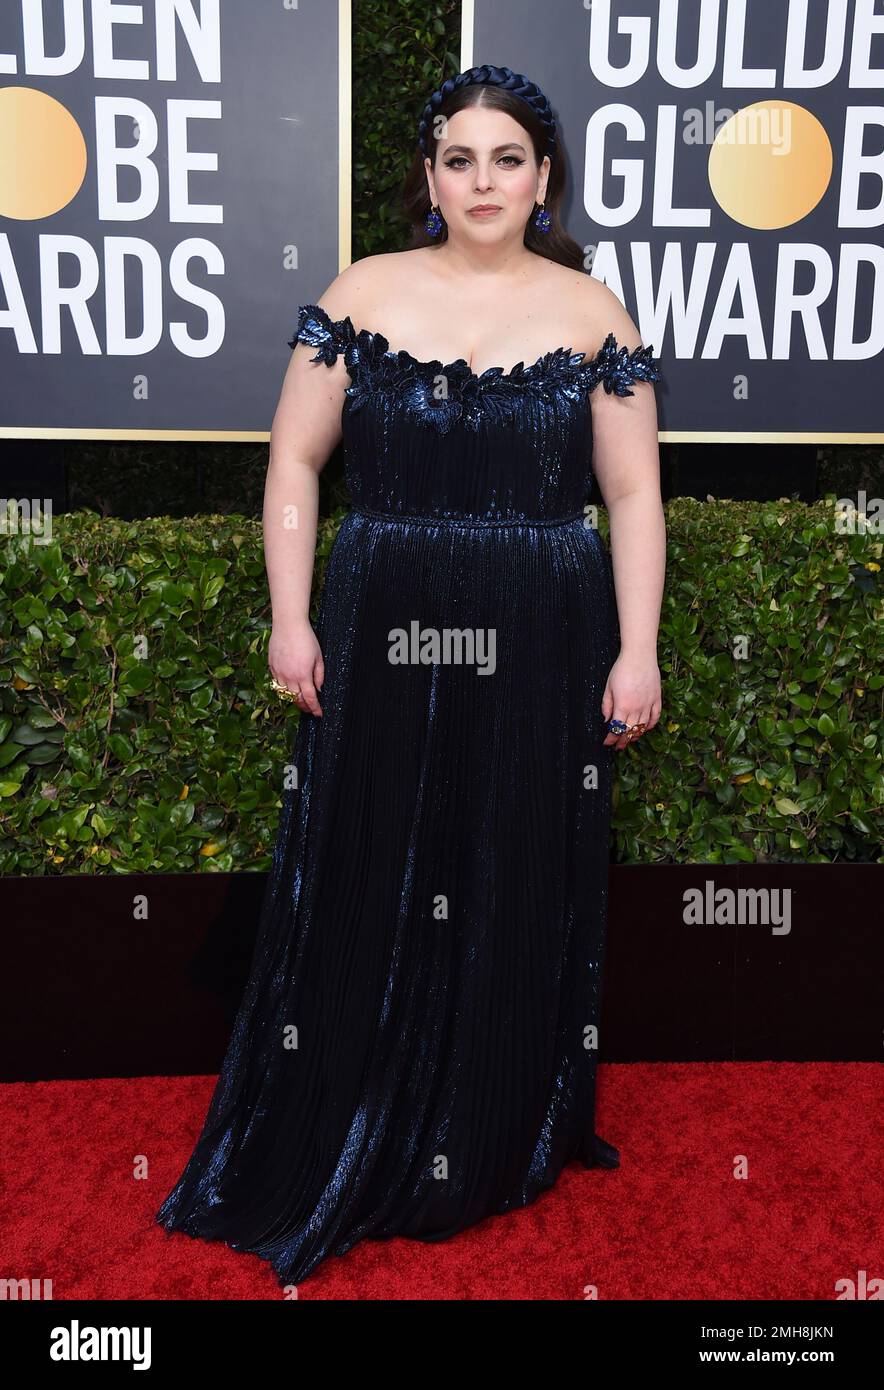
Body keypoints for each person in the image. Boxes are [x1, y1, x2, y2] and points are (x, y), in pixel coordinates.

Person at [155, 63, 665, 1289]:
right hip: (381, 613)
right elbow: (293, 462)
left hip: (543, 621)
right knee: (372, 850)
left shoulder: (596, 312)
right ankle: (351, 1108)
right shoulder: (360, 292)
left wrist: (635, 644)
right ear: (426, 178)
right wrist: (290, 618)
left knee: (509, 857)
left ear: (542, 180)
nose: (481, 181)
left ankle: (490, 1122)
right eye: (458, 159)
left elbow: (634, 489)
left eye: (506, 160)